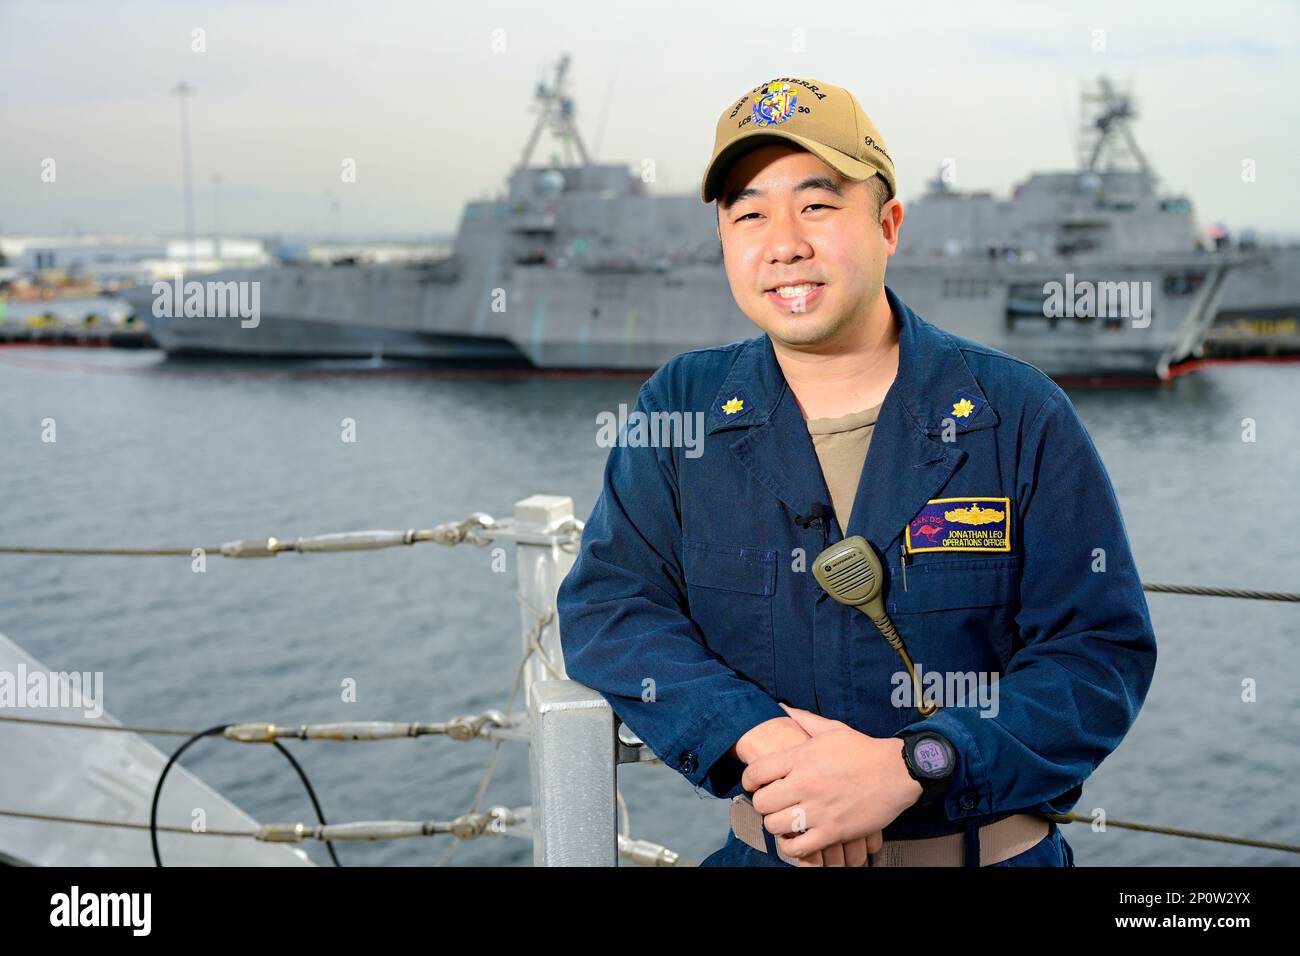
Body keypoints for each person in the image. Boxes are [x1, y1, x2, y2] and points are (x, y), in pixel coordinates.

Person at [556, 75, 1156, 867]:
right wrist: (756, 737)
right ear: (725, 240)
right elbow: (612, 609)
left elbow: (1096, 654)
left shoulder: (1019, 413)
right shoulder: (681, 409)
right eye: (749, 213)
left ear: (888, 224)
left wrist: (917, 764)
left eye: (817, 205)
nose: (784, 243)